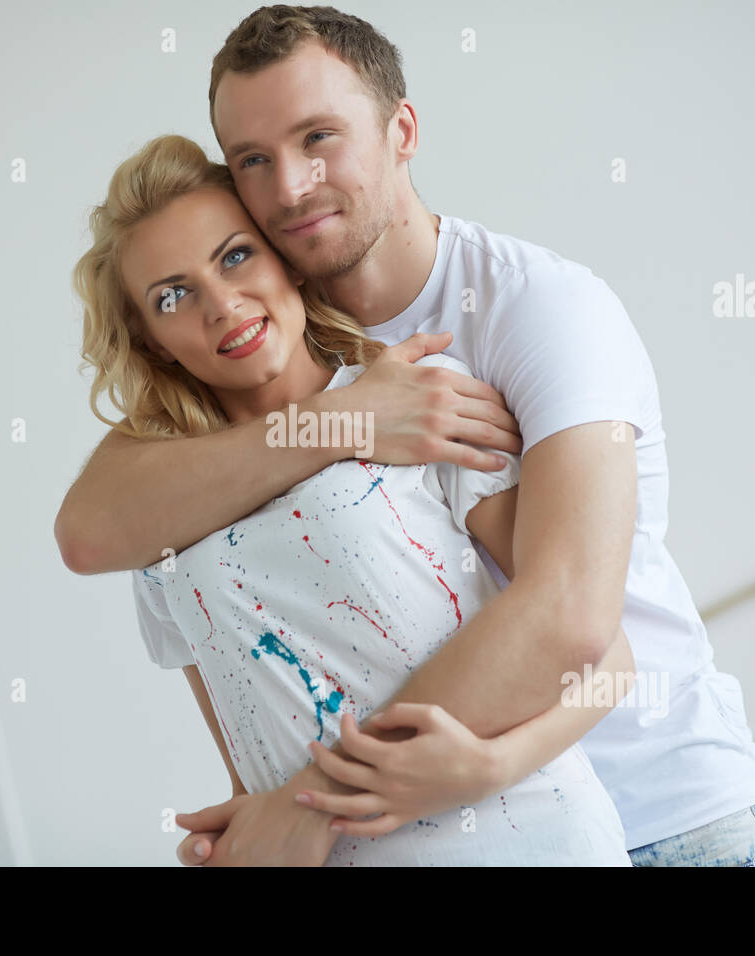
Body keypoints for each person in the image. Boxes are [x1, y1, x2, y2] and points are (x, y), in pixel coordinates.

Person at [58, 5, 755, 867]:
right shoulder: (301, 361)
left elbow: (572, 616)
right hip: (421, 828)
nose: (291, 186)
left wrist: (319, 805)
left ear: (401, 129)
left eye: (319, 137)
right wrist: (349, 421)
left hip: (664, 811)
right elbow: (94, 528)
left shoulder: (540, 309)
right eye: (254, 160)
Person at [75, 131, 637, 865]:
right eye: (173, 296)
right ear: (151, 341)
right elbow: (252, 754)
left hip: (529, 836)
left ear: (284, 258)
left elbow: (607, 655)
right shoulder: (158, 526)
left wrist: (494, 763)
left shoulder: (422, 402)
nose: (221, 304)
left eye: (235, 255)